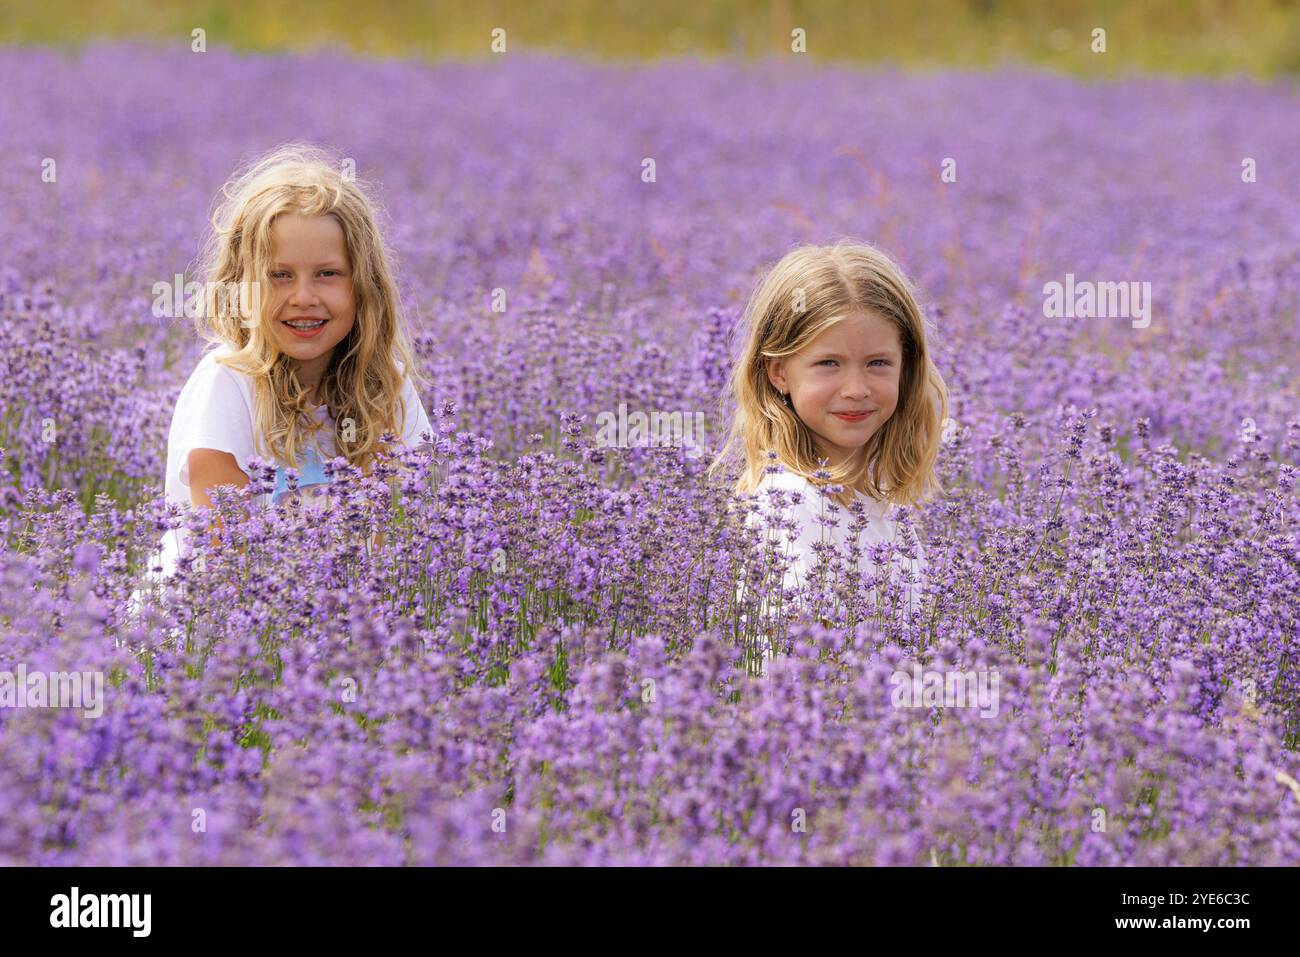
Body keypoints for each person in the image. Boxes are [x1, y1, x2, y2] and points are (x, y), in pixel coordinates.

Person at [135, 143, 433, 612]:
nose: (304, 297)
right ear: (242, 285)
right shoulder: (228, 382)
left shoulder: (384, 385)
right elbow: (226, 559)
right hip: (211, 629)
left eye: (328, 274)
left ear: (364, 285)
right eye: (279, 275)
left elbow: (397, 529)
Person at [710, 241, 949, 671]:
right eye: (828, 364)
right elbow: (811, 680)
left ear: (906, 368)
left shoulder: (880, 507)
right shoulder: (790, 508)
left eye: (877, 362)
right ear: (778, 371)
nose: (856, 388)